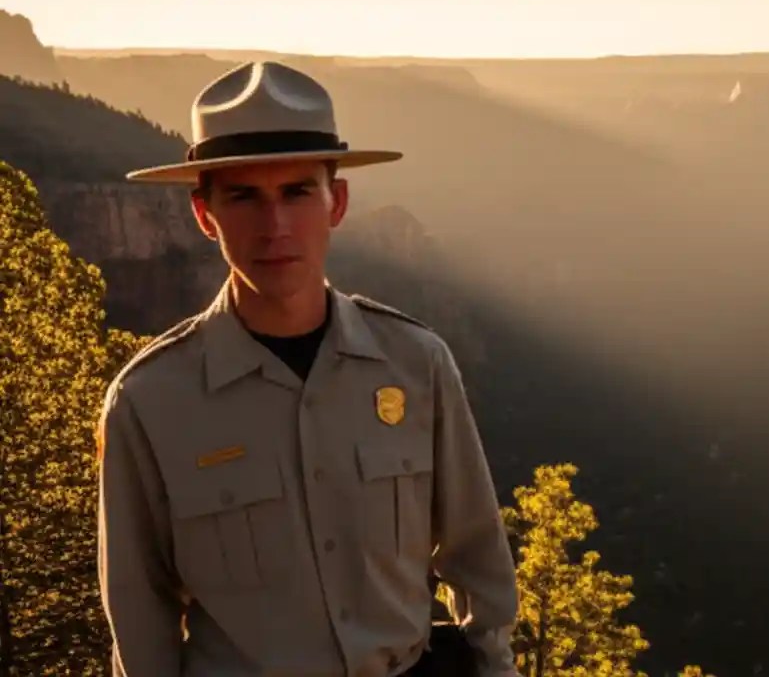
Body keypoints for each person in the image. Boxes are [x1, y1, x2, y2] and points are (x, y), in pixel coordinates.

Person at [97, 60, 521, 676]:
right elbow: (139, 610)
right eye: (244, 196)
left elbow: (476, 551)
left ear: (337, 201)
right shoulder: (149, 400)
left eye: (297, 191)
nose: (275, 227)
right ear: (204, 213)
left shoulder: (416, 362)